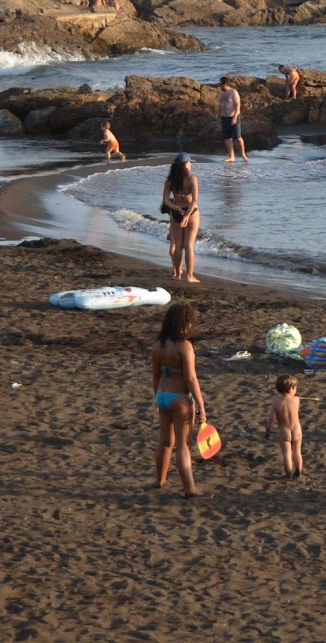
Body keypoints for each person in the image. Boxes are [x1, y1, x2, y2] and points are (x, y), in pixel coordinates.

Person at [151, 302, 206, 497]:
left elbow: (156, 375)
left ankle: (160, 480)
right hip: (179, 399)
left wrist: (156, 398)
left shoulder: (158, 345)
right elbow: (190, 378)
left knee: (165, 442)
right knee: (183, 445)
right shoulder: (185, 346)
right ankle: (190, 489)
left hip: (163, 395)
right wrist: (201, 404)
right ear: (184, 324)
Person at [162, 153, 200, 283]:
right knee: (189, 246)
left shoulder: (170, 181)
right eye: (189, 162)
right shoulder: (191, 179)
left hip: (176, 212)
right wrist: (187, 215)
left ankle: (178, 274)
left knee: (178, 246)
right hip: (191, 212)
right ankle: (189, 276)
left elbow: (166, 201)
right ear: (185, 165)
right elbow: (194, 200)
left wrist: (176, 208)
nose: (191, 165)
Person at [264, 374, 304, 479]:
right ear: (290, 389)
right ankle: (299, 471)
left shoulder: (276, 403)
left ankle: (289, 474)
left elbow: (271, 420)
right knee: (297, 452)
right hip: (297, 430)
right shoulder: (296, 400)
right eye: (295, 388)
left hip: (284, 431)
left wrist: (268, 430)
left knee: (287, 454)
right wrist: (295, 397)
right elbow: (295, 408)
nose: (296, 390)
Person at [217, 77, 247, 163]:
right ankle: (231, 156)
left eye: (220, 84)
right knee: (227, 137)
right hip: (224, 117)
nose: (220, 86)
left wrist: (234, 118)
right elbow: (220, 105)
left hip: (233, 116)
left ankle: (243, 155)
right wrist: (218, 115)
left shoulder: (234, 92)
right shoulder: (222, 93)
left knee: (238, 137)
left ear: (225, 84)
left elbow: (237, 106)